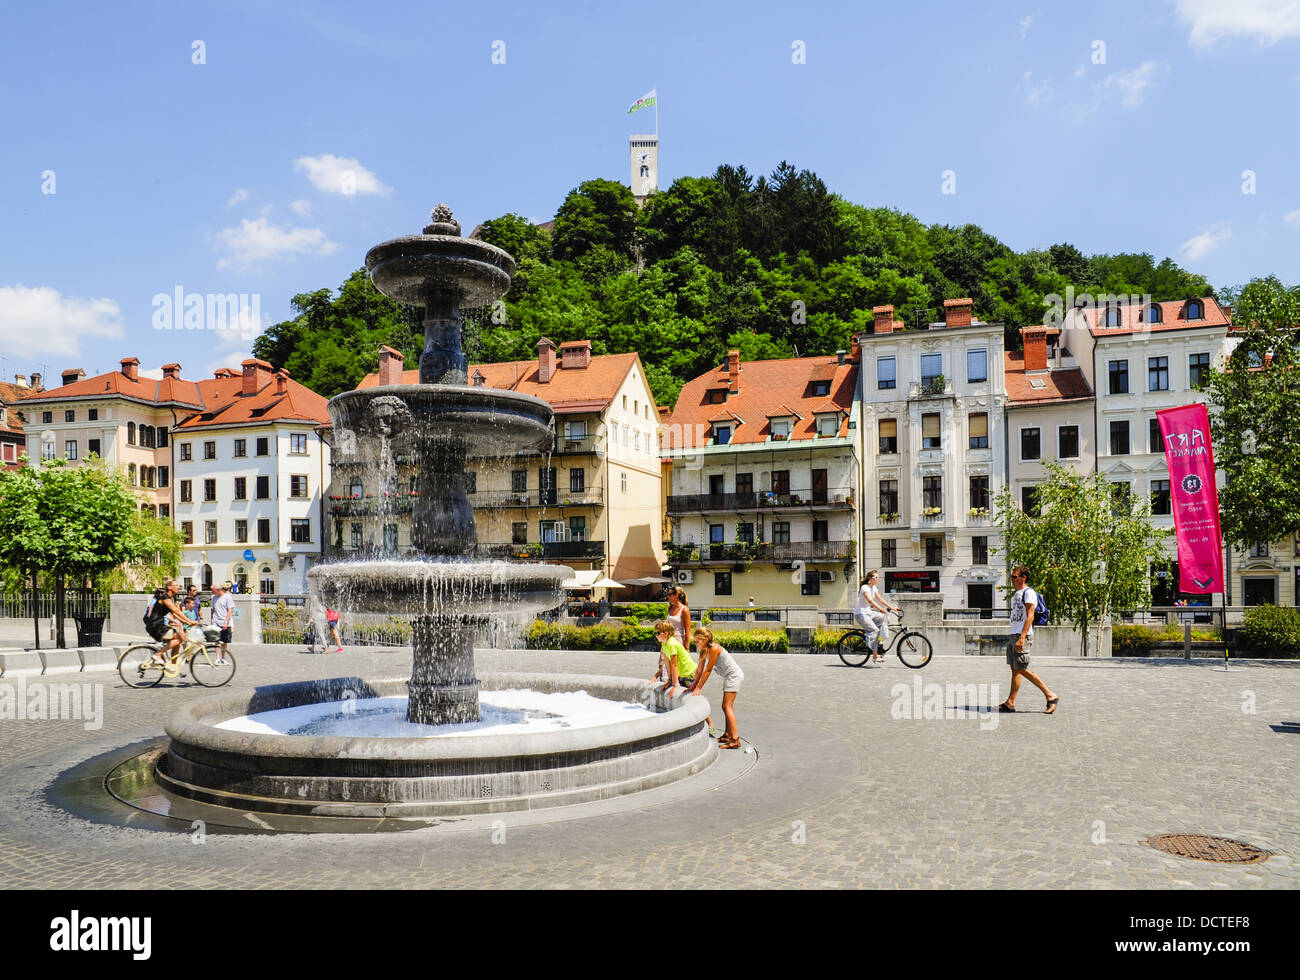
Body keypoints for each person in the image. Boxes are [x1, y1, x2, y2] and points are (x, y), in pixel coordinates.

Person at [1000, 566, 1059, 714]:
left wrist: (1021, 637)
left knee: (1021, 668)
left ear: (1023, 577)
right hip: (1014, 634)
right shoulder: (1018, 593)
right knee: (1015, 669)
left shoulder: (1029, 593)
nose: (1011, 579)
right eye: (1012, 576)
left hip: (1022, 635)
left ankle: (1050, 695)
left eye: (1014, 577)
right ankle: (1010, 703)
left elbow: (1030, 615)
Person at [689, 626, 745, 748]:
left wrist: (699, 688)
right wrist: (693, 685)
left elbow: (708, 670)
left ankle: (735, 740)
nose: (696, 643)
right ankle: (727, 735)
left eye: (698, 640)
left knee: (727, 706)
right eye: (695, 640)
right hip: (729, 677)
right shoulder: (703, 651)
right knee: (726, 706)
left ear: (706, 639)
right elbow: (699, 670)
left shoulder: (714, 648)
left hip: (734, 676)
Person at [142, 578, 200, 676]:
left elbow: (175, 614)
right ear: (169, 587)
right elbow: (176, 610)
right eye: (176, 585)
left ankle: (173, 668)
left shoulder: (170, 597)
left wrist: (187, 622)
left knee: (177, 644)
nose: (178, 587)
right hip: (155, 625)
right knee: (179, 638)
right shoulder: (165, 597)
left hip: (159, 624)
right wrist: (189, 621)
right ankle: (158, 655)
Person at [855, 570, 899, 663]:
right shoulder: (864, 588)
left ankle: (880, 641)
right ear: (870, 579)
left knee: (883, 618)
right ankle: (875, 655)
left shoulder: (873, 588)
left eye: (878, 577)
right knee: (874, 630)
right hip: (861, 614)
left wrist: (892, 607)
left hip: (869, 613)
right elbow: (870, 601)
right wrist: (880, 609)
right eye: (876, 577)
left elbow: (881, 600)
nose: (878, 579)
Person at [652, 619, 697, 698]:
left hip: (690, 673)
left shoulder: (671, 644)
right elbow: (667, 662)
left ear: (666, 633)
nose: (656, 635)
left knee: (691, 697)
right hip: (682, 674)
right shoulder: (664, 643)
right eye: (655, 633)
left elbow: (674, 665)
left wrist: (675, 685)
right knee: (682, 696)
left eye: (658, 633)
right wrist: (670, 680)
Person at [209, 581, 234, 666]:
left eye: (213, 590)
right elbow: (212, 609)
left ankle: (223, 658)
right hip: (216, 622)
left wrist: (226, 622)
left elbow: (230, 610)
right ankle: (217, 658)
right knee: (217, 641)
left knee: (225, 641)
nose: (212, 592)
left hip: (225, 622)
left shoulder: (228, 597)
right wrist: (212, 620)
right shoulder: (214, 597)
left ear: (218, 589)